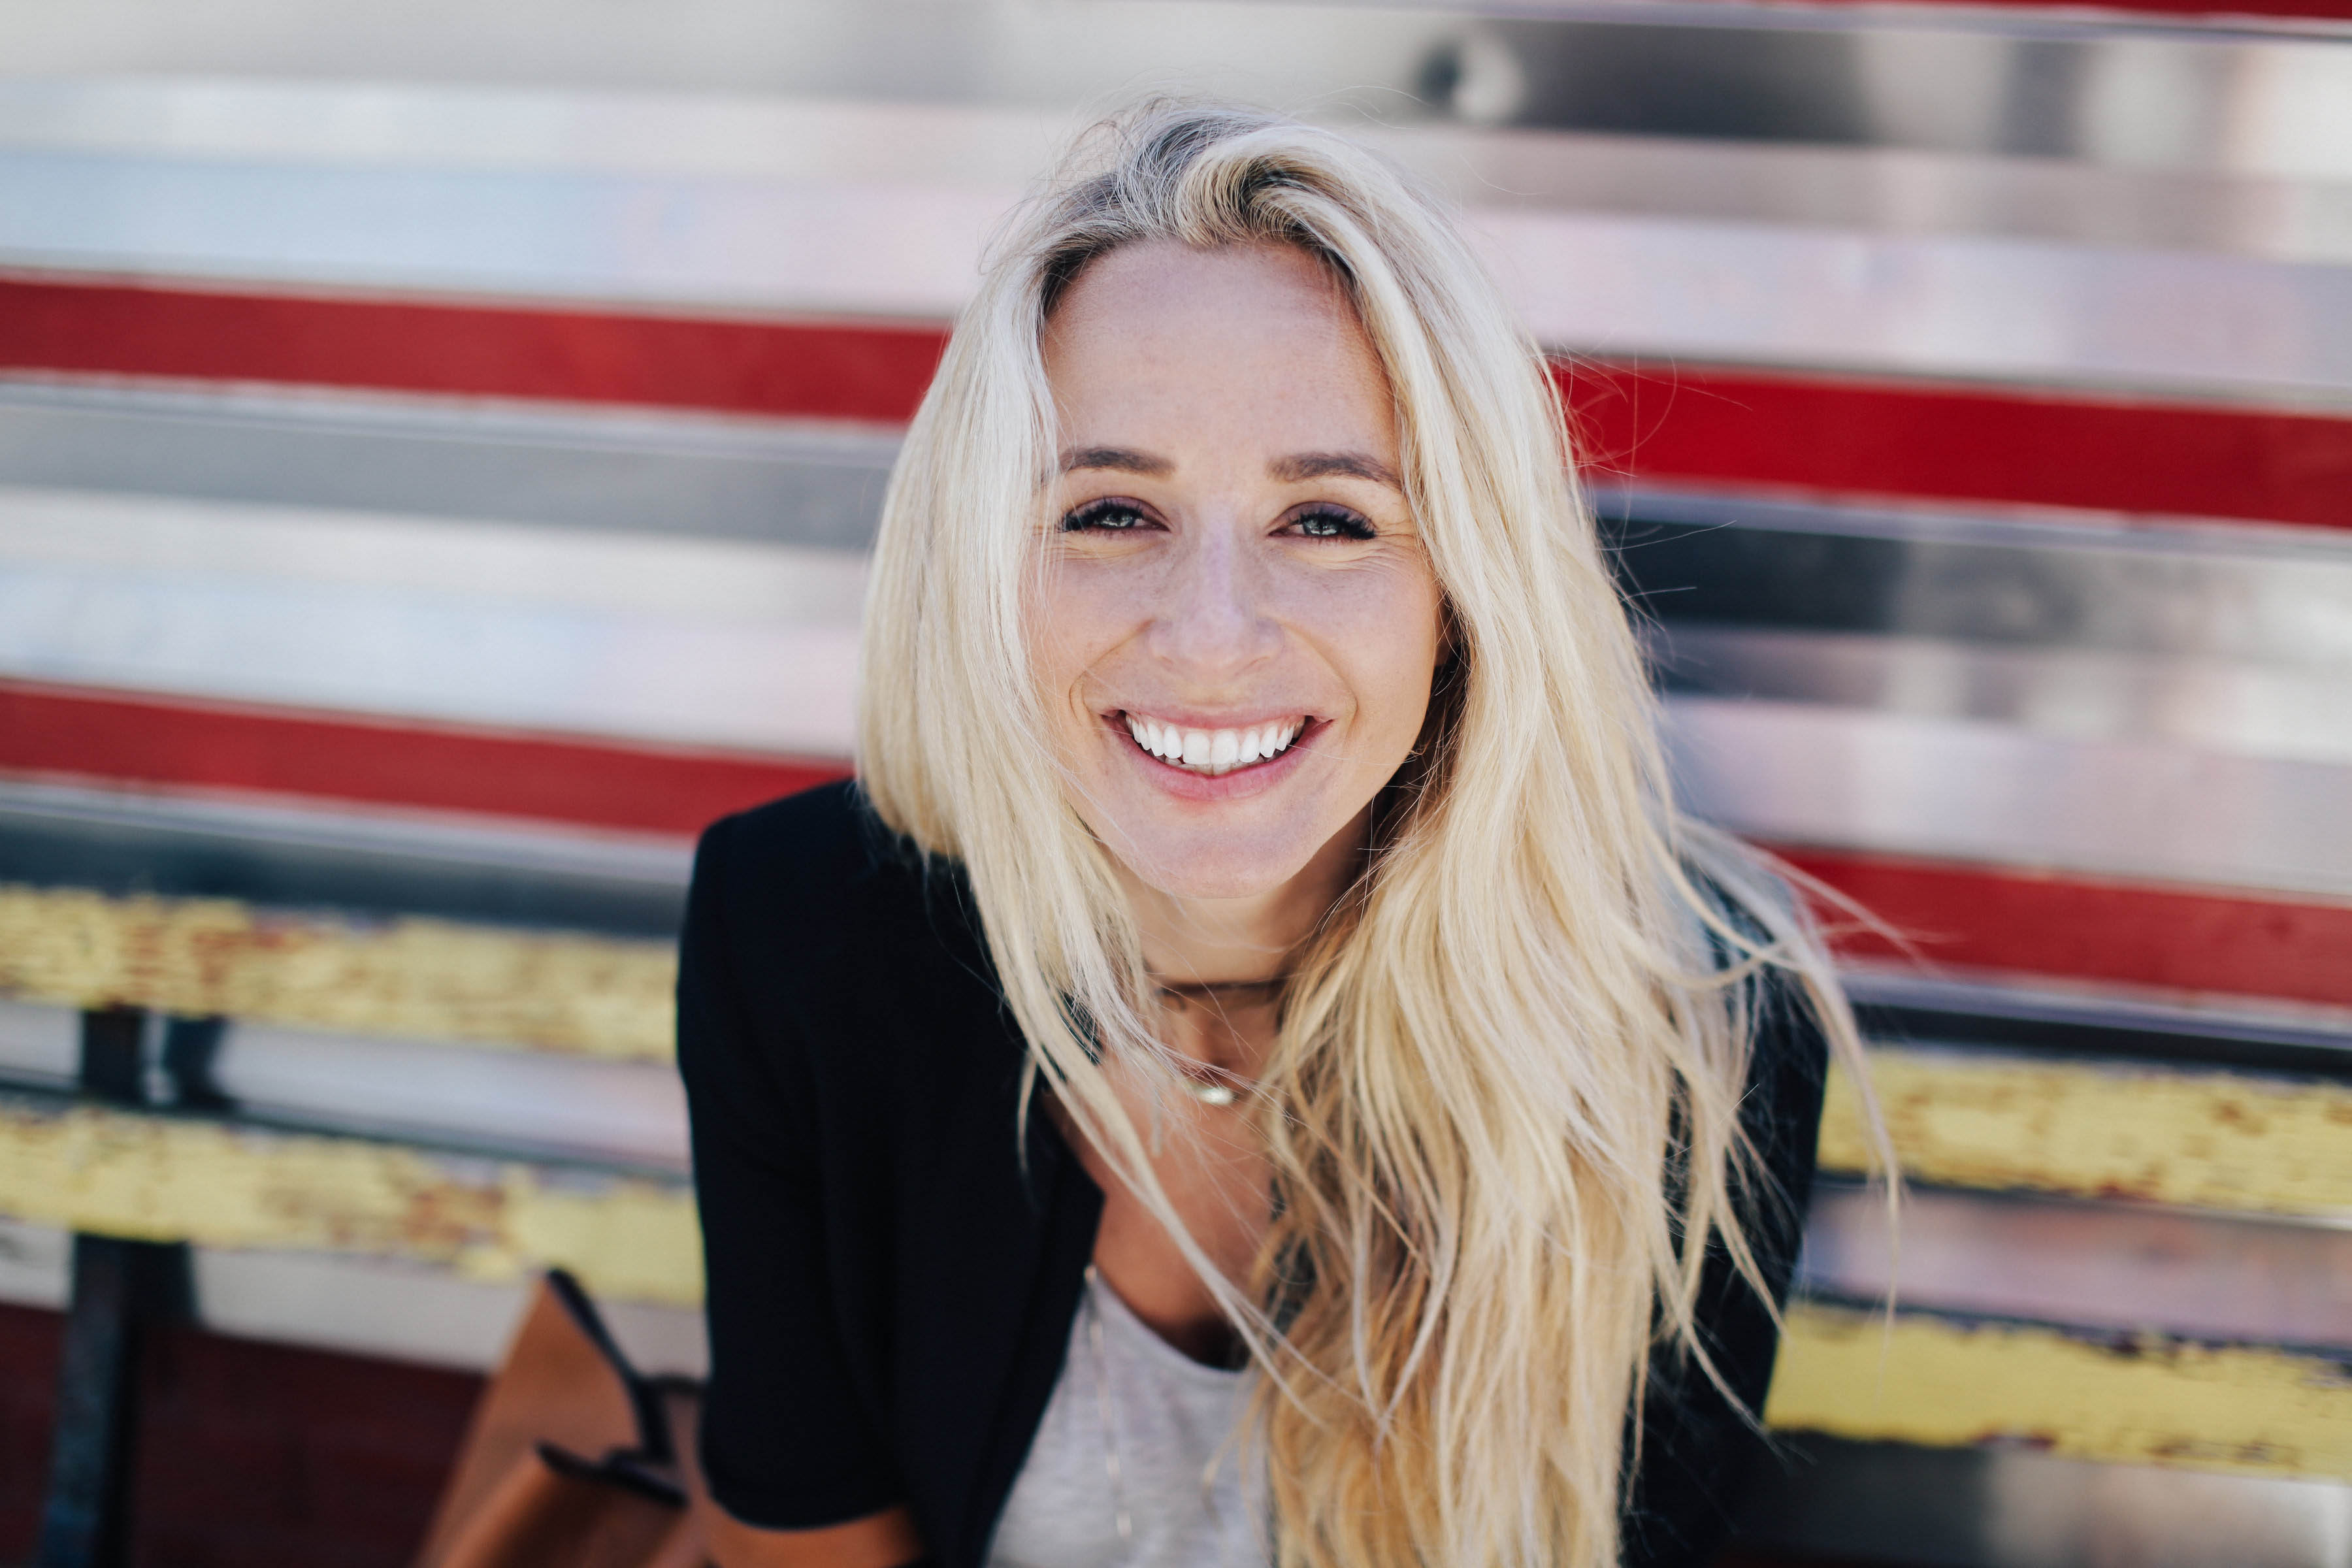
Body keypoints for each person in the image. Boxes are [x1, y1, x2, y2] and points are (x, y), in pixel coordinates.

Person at [677, 99, 1877, 1568]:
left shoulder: (1691, 1026)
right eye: (1113, 510)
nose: (1213, 640)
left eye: (1329, 521)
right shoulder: (800, 930)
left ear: (1465, 598)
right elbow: (804, 1529)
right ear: (985, 564)